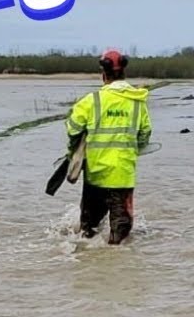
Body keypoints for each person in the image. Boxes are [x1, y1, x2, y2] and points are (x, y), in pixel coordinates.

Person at [64, 48, 152, 245]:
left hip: (95, 175)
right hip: (123, 174)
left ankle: (88, 267)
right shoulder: (138, 103)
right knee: (121, 235)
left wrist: (73, 151)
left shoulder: (91, 101)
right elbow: (145, 134)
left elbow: (72, 130)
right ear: (123, 72)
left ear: (103, 74)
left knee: (88, 231)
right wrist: (133, 149)